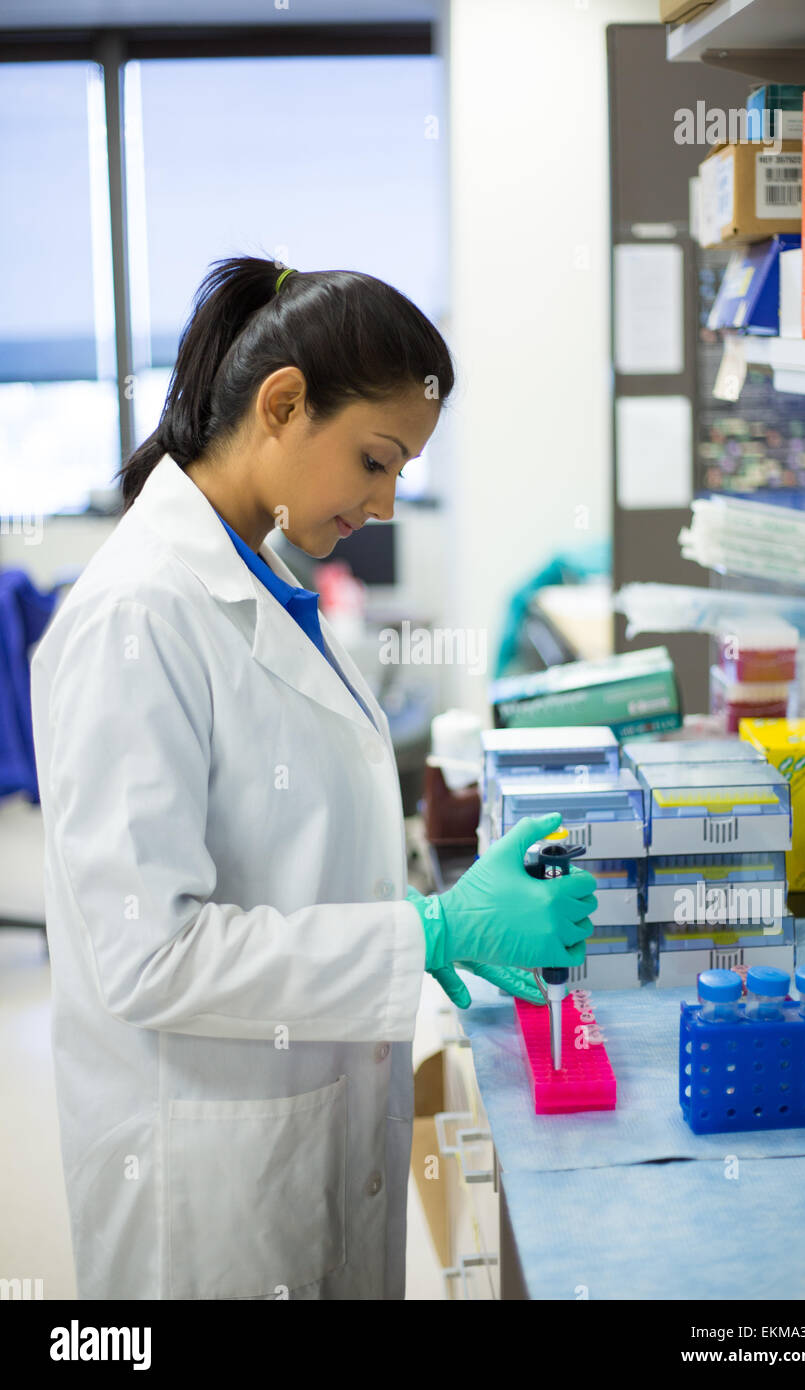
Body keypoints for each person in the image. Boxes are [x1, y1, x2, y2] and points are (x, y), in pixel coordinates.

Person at [30, 256, 597, 1301]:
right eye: (374, 461)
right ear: (282, 404)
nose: (384, 502)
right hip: (206, 1184)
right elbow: (147, 954)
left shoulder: (270, 579)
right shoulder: (137, 617)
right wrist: (424, 933)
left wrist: (427, 929)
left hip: (304, 1120)